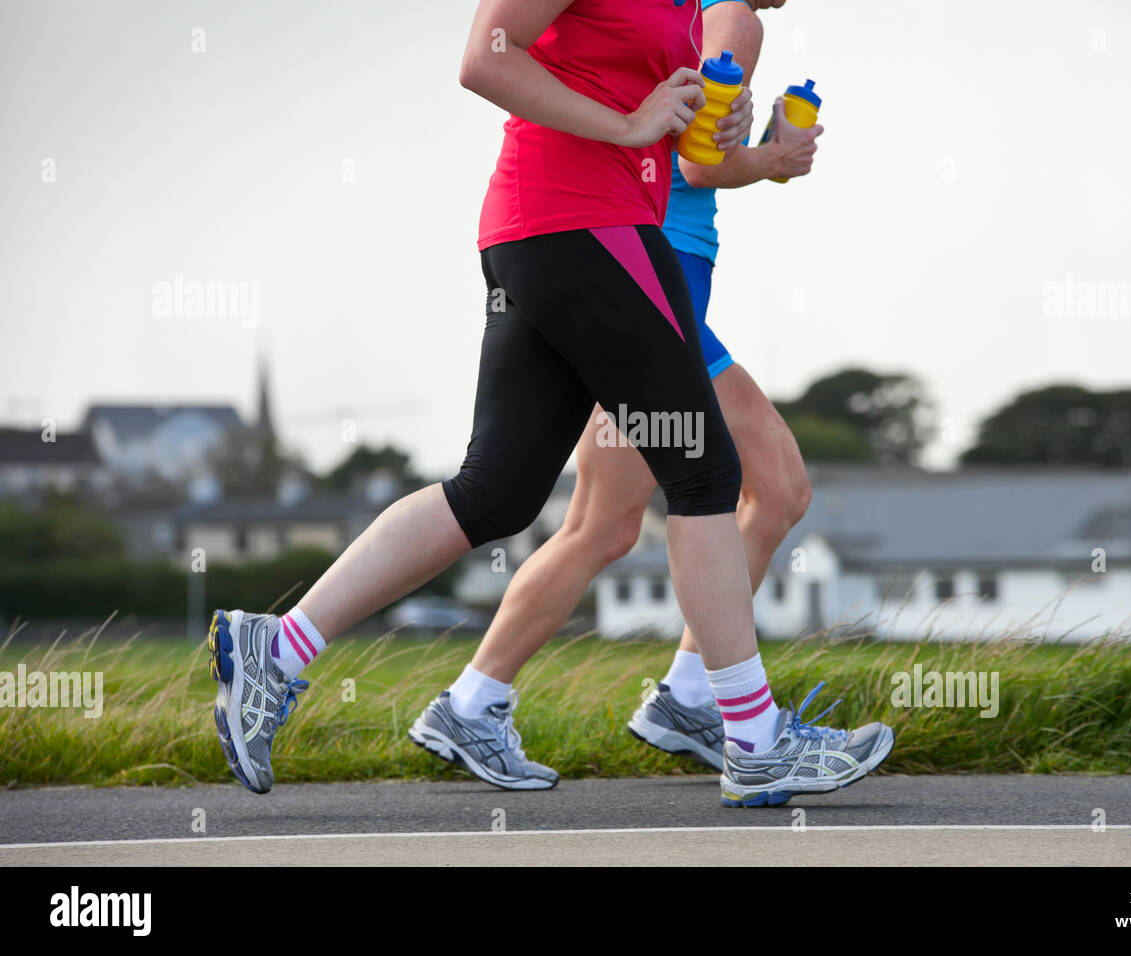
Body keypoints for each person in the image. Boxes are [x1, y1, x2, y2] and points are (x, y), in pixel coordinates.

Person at [208, 0, 894, 809]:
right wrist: (631, 125)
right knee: (705, 471)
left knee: (495, 493)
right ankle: (754, 740)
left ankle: (277, 647)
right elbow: (486, 57)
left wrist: (717, 130)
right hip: (583, 224)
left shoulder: (688, 6)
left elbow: (683, 149)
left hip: (561, 233)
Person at [418, 0, 837, 791]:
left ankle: (478, 701)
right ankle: (694, 700)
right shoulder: (731, 18)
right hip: (649, 270)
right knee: (768, 486)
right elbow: (698, 165)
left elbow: (685, 146)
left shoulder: (689, 11)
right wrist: (777, 158)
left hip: (621, 256)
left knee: (605, 524)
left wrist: (759, 153)